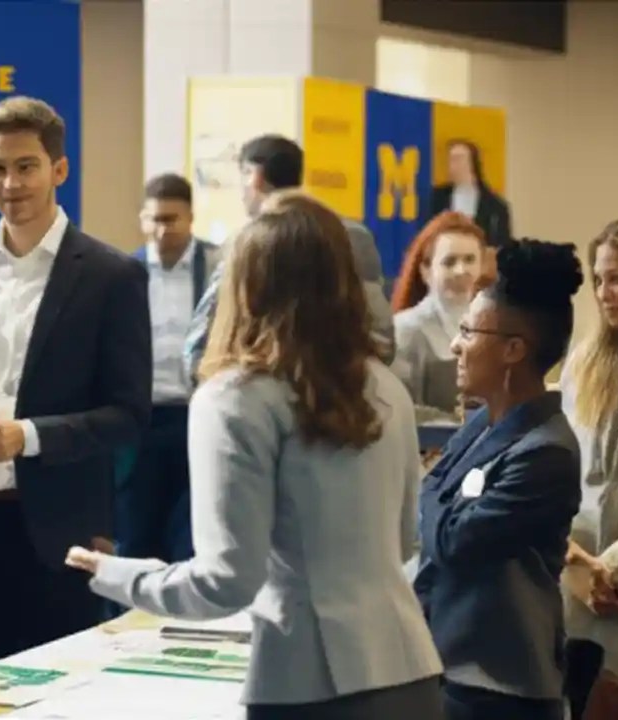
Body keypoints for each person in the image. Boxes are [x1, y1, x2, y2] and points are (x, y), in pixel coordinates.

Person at [68, 191, 443, 720]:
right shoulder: (385, 387)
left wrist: (118, 574)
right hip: (411, 672)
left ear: (243, 284)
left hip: (309, 684)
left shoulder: (234, 399)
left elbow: (226, 581)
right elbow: (407, 537)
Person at [0, 96, 152, 670]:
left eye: (26, 166)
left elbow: (127, 413)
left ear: (58, 170)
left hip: (54, 535)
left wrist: (26, 437)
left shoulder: (112, 276)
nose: (10, 183)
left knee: (50, 694)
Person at [414, 238, 583, 720]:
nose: (455, 344)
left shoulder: (545, 451)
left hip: (502, 689)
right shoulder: (480, 423)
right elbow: (433, 501)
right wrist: (437, 499)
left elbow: (452, 543)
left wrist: (434, 496)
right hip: (451, 669)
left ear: (513, 349)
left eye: (468, 331)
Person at [182, 135, 394, 377]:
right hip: (343, 395)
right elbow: (382, 337)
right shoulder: (354, 236)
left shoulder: (245, 242)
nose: (241, 193)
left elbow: (198, 343)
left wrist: (212, 391)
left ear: (255, 176)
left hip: (258, 387)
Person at [122, 173, 221, 562]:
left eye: (172, 219)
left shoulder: (217, 267)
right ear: (142, 219)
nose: (162, 230)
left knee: (192, 531)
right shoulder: (122, 271)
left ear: (191, 218)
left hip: (195, 413)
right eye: (155, 219)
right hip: (140, 419)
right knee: (135, 532)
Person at [561, 217, 618, 719]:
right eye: (600, 279)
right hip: (580, 582)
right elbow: (564, 475)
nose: (606, 292)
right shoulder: (583, 364)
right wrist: (579, 562)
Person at [390, 211, 488, 414]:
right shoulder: (405, 330)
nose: (461, 270)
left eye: (470, 260)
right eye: (449, 261)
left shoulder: (494, 326)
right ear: (426, 270)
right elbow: (400, 412)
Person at [427, 140, 512, 249]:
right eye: (450, 159)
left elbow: (503, 246)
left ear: (472, 163)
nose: (452, 165)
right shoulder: (437, 198)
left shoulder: (496, 207)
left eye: (458, 159)